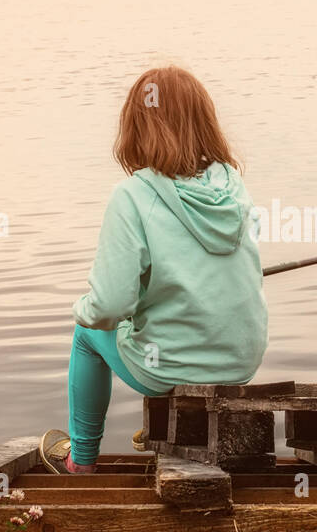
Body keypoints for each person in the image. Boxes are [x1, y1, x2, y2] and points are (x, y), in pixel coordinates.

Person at [42, 66, 269, 473]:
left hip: (173, 365)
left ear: (137, 125)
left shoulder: (133, 195)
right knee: (165, 324)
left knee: (88, 333)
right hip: (241, 363)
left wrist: (84, 308)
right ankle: (166, 426)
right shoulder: (233, 186)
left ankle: (82, 460)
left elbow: (110, 304)